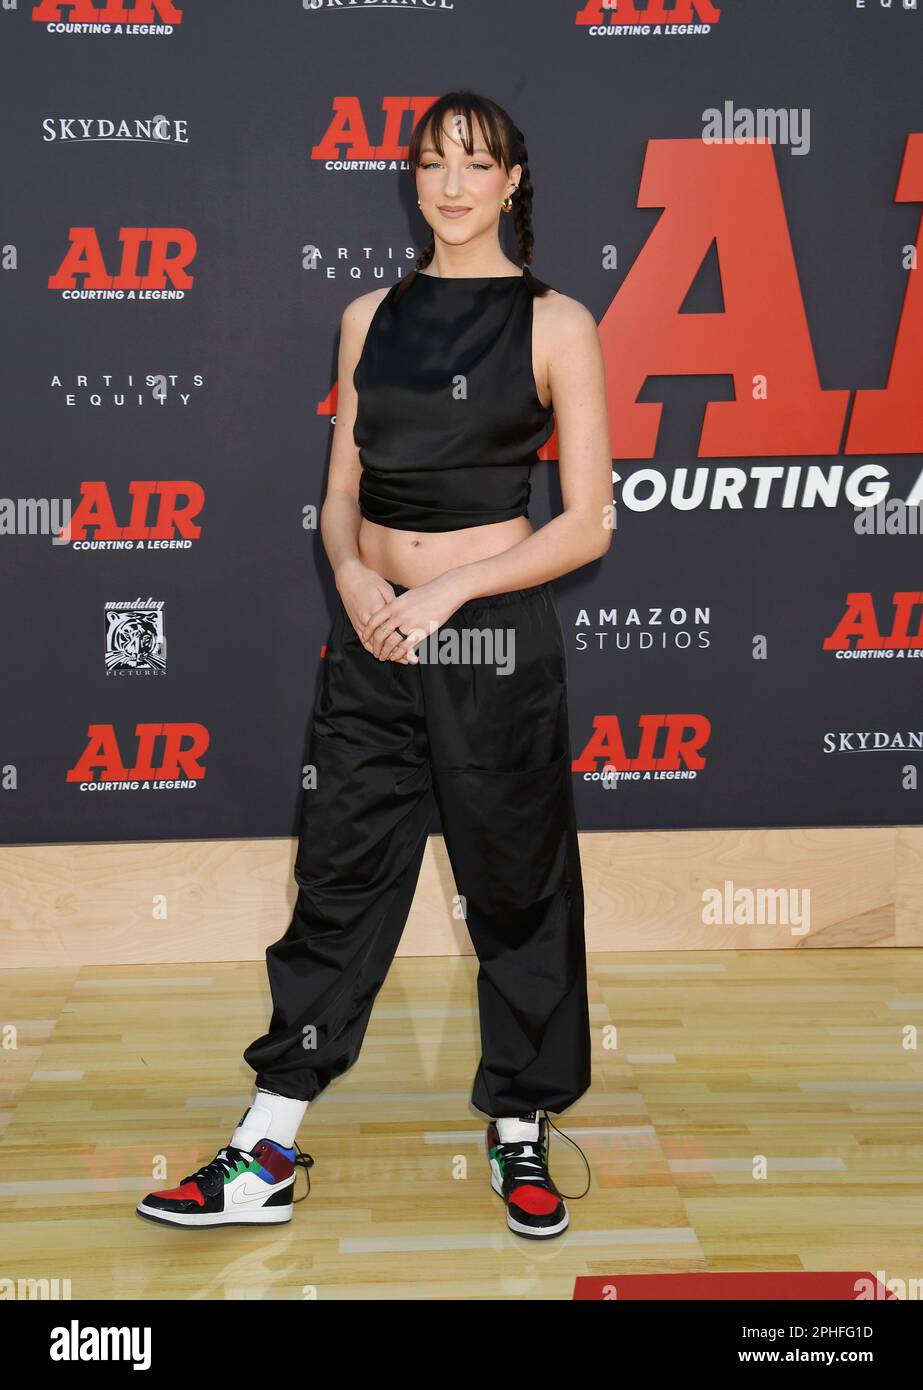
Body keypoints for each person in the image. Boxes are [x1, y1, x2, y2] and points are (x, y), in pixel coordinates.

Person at [137, 91, 612, 1240]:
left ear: (512, 182)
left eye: (475, 163)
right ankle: (265, 1144)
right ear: (411, 180)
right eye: (431, 163)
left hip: (490, 640)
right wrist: (355, 577)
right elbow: (340, 494)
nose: (450, 185)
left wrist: (447, 590)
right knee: (339, 882)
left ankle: (519, 1126)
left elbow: (588, 519)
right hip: (373, 641)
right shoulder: (367, 317)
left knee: (515, 884)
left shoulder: (556, 323)